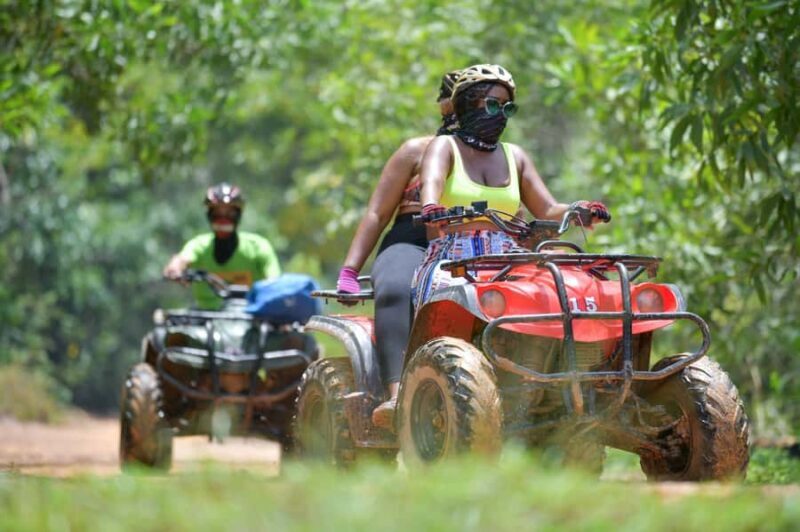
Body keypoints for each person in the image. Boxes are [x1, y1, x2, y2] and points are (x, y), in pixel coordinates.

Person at [413, 63, 611, 311]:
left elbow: (548, 210)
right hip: (453, 258)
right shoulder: (445, 146)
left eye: (507, 108)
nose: (499, 114)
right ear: (468, 104)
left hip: (509, 256)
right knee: (453, 303)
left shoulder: (515, 155)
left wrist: (581, 209)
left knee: (567, 289)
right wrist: (431, 206)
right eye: (493, 104)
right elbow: (432, 181)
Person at [335, 70, 462, 427]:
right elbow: (377, 212)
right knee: (394, 287)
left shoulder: (499, 158)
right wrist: (350, 269)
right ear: (443, 105)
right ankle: (395, 394)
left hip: (474, 241)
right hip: (413, 237)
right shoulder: (415, 151)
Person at [163, 182, 281, 309]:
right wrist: (175, 269)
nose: (223, 219)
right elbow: (181, 259)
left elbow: (275, 281)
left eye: (229, 213)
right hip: (205, 320)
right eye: (217, 213)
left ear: (238, 215)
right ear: (209, 215)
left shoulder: (258, 247)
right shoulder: (199, 245)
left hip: (250, 318)